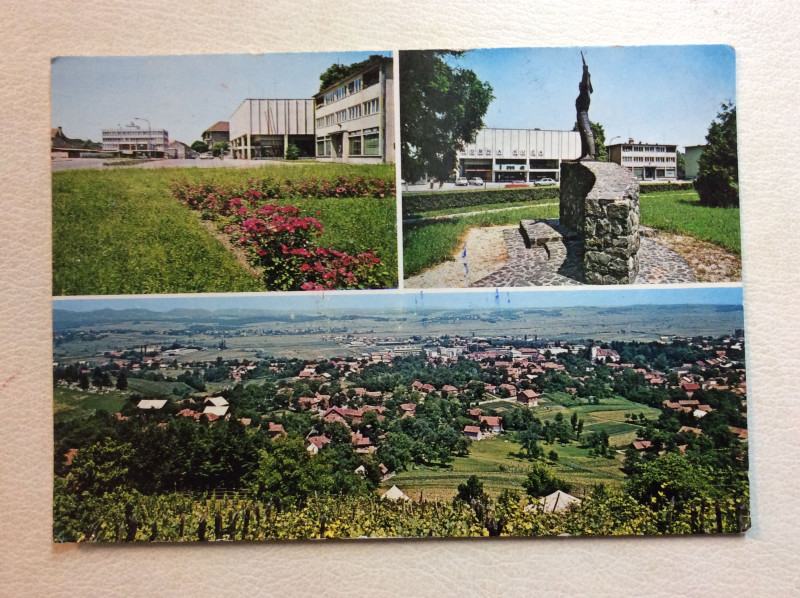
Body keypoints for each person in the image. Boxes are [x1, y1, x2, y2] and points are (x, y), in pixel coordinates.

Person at [576, 52, 596, 160]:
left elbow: (585, 80)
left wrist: (585, 69)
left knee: (586, 131)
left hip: (583, 113)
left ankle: (591, 154)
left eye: (580, 84)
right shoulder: (584, 94)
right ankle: (584, 154)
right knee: (582, 134)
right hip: (580, 115)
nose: (579, 85)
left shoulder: (585, 93)